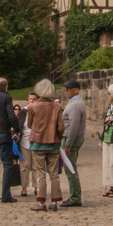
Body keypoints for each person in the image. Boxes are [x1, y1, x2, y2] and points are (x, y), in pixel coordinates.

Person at [24, 79, 65, 211]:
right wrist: (56, 135)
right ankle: (55, 201)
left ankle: (41, 202)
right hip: (53, 143)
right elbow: (61, 127)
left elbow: (30, 124)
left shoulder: (32, 107)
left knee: (40, 173)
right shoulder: (57, 107)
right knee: (54, 174)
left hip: (37, 143)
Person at [60, 81, 86, 208]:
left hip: (71, 138)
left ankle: (75, 197)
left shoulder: (75, 105)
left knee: (70, 168)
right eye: (65, 89)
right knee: (70, 167)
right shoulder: (74, 103)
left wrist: (68, 145)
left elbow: (74, 126)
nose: (66, 91)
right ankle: (74, 195)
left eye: (68, 89)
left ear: (76, 90)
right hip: (71, 137)